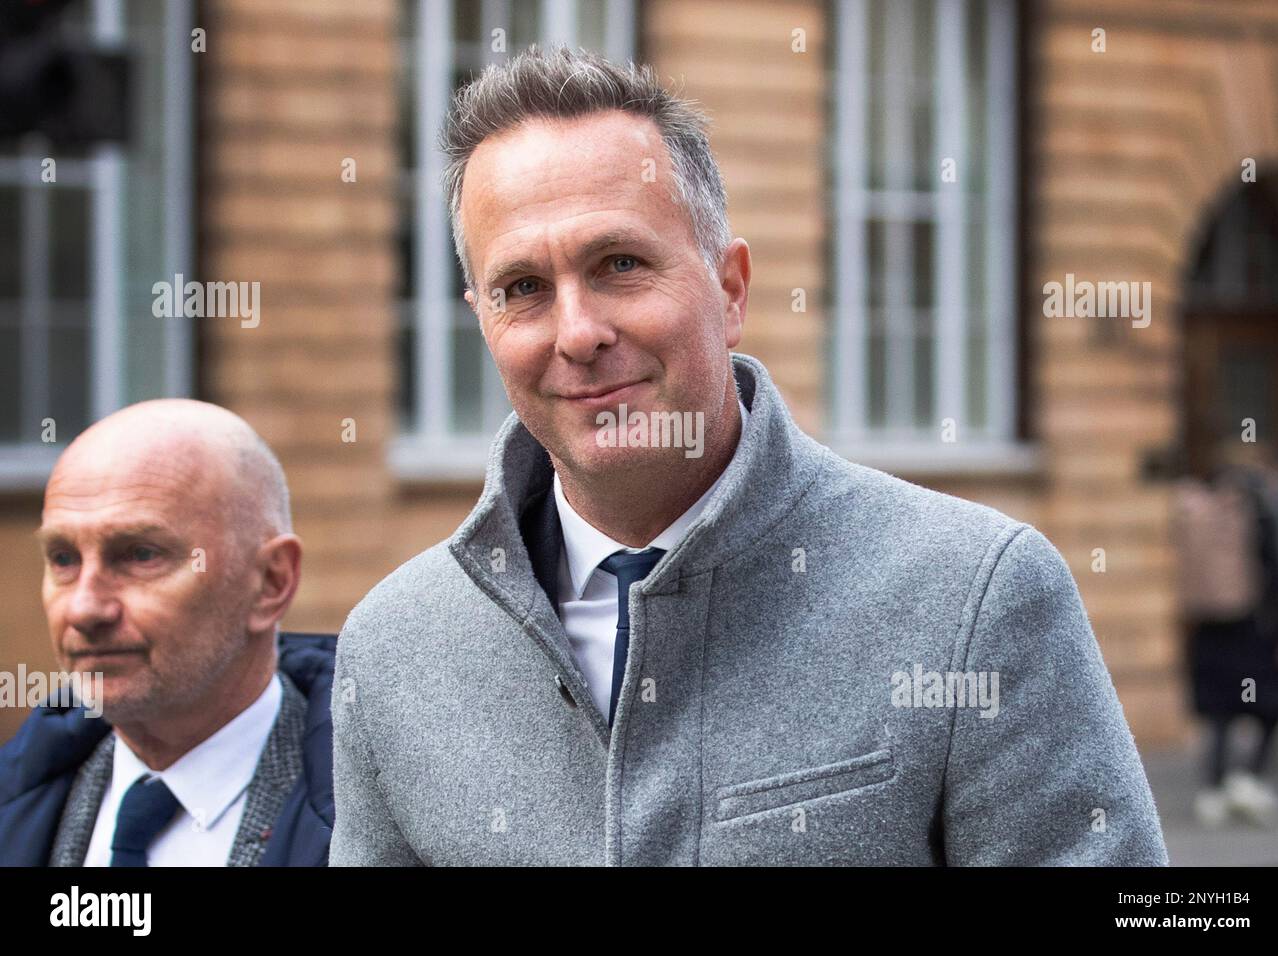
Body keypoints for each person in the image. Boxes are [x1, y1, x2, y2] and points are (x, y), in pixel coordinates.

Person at [330, 46, 1167, 866]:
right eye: (523, 289)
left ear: (730, 289)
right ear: (481, 317)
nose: (579, 333)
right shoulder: (393, 650)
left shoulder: (974, 598)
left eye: (619, 265)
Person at [0, 399, 335, 866]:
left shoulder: (392, 826)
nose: (84, 608)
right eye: (63, 558)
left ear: (270, 582)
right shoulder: (18, 809)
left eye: (140, 554)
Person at [1174, 439, 1278, 827]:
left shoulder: (1197, 501)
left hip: (1208, 626)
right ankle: (1248, 778)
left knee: (1220, 712)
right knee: (1275, 704)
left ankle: (1214, 788)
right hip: (1254, 626)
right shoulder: (1258, 503)